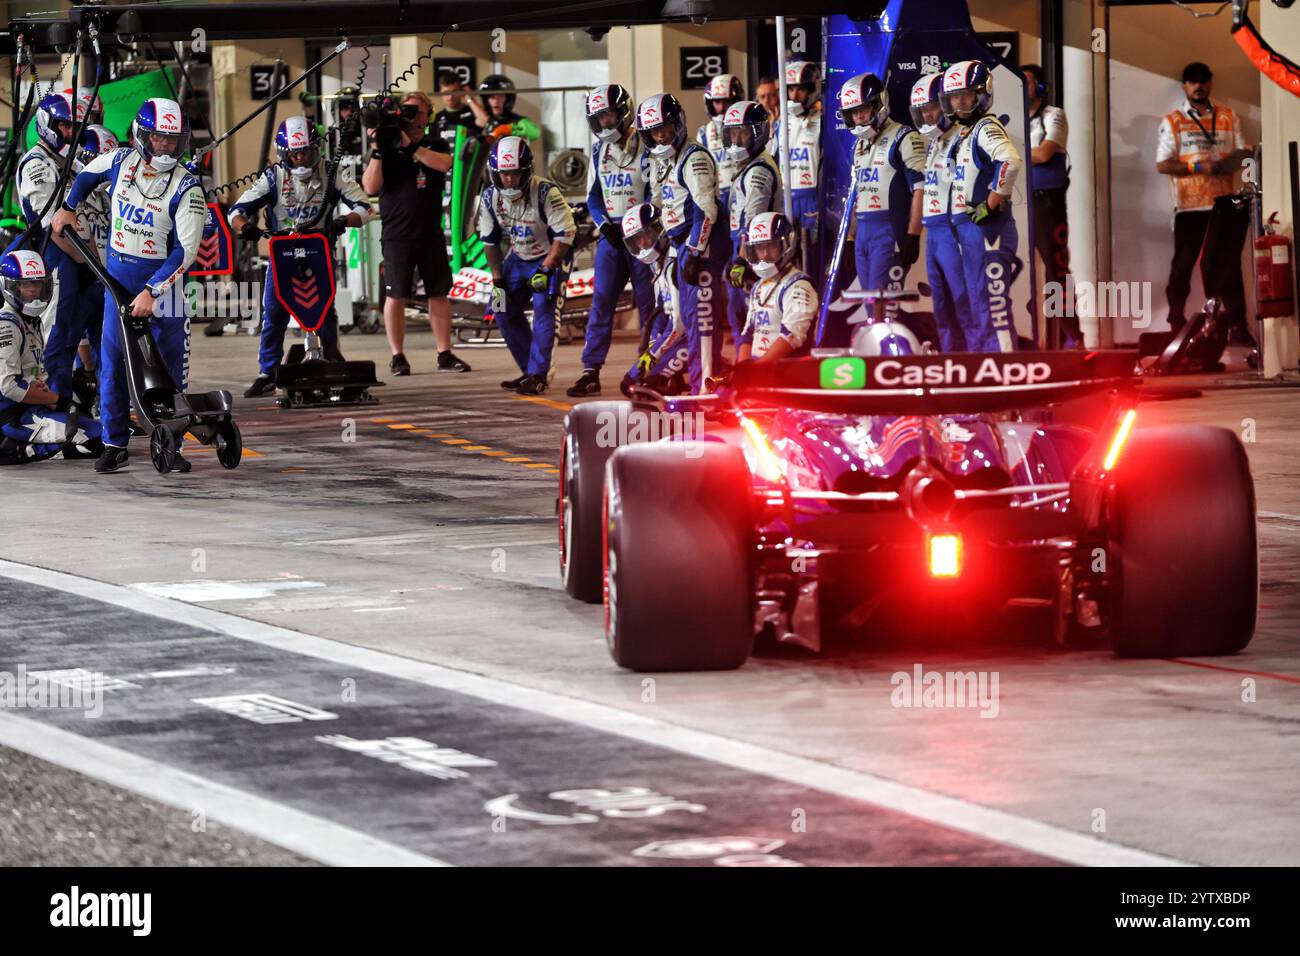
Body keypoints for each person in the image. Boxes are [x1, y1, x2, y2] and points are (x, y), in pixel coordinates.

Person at [51, 97, 207, 474]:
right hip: (117, 280)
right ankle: (114, 442)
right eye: (159, 138)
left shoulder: (188, 188)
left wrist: (153, 291)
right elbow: (88, 174)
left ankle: (172, 440)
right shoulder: (121, 162)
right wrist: (69, 205)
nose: (166, 146)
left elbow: (185, 253)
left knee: (169, 368)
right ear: (142, 135)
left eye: (174, 140)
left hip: (163, 291)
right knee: (113, 363)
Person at [229, 116, 373, 397]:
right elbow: (235, 211)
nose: (301, 158)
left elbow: (365, 207)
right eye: (294, 153)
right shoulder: (272, 177)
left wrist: (345, 221)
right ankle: (267, 372)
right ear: (284, 154)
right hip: (281, 255)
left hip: (319, 252)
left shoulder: (333, 172)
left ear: (316, 148)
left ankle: (331, 361)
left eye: (306, 151)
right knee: (273, 312)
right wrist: (245, 228)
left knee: (324, 312)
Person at [360, 90, 471, 376]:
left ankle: (444, 353)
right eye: (406, 110)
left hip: (430, 232)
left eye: (417, 111)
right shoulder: (387, 144)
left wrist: (411, 147)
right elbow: (370, 187)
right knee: (395, 295)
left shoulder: (436, 143)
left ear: (427, 115)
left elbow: (444, 165)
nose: (411, 116)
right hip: (397, 234)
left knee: (438, 292)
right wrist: (378, 148)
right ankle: (398, 356)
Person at [566, 85, 655, 397]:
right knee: (601, 303)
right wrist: (604, 226)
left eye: (608, 114)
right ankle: (590, 371)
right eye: (598, 116)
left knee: (650, 304)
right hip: (613, 238)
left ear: (623, 112)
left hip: (645, 237)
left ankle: (649, 367)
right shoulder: (597, 150)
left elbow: (656, 191)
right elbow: (592, 197)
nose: (604, 122)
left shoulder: (647, 144)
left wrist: (647, 226)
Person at [1155, 61, 1253, 342]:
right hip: (1189, 206)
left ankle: (1238, 327)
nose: (1198, 86)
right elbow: (1163, 165)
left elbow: (1244, 154)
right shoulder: (1172, 120)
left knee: (1228, 267)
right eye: (1192, 81)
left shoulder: (1228, 116)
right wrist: (1199, 168)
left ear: (1210, 83)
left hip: (1224, 205)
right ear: (1184, 86)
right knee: (1182, 267)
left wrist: (1232, 161)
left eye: (1203, 80)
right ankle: (1176, 322)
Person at [638, 92, 728, 394]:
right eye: (654, 131)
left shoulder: (694, 157)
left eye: (665, 128)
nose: (661, 135)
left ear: (678, 124)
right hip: (679, 246)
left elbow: (707, 210)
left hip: (701, 248)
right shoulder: (660, 161)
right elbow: (661, 204)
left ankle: (704, 389)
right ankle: (702, 380)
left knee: (701, 320)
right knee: (685, 317)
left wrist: (694, 251)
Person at [477, 135, 576, 395]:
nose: (509, 180)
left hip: (549, 257)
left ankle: (539, 374)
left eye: (515, 174)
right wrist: (497, 279)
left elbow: (566, 233)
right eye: (504, 174)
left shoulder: (546, 192)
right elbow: (489, 241)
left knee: (544, 312)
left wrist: (547, 268)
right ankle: (527, 370)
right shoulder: (488, 198)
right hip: (517, 258)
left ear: (527, 171)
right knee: (500, 307)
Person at [15, 92, 92, 406]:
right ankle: (52, 403)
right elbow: (55, 228)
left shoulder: (69, 159)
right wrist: (87, 261)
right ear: (48, 125)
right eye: (64, 126)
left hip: (81, 258)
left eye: (74, 127)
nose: (70, 133)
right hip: (57, 256)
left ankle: (69, 399)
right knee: (56, 337)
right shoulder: (37, 164)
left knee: (75, 336)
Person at [943, 60, 1024, 353]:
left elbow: (1011, 161)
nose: (960, 102)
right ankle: (986, 369)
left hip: (989, 231)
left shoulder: (985, 127)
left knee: (994, 308)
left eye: (966, 95)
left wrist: (990, 204)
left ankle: (1005, 375)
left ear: (981, 94)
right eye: (954, 96)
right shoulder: (966, 131)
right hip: (972, 231)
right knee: (979, 306)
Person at [838, 73, 926, 327]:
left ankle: (887, 360)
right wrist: (852, 239)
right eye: (853, 112)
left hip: (889, 232)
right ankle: (876, 355)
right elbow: (857, 194)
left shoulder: (905, 137)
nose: (858, 118)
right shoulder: (859, 146)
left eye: (863, 110)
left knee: (883, 306)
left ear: (878, 104)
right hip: (864, 233)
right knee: (869, 305)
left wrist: (913, 235)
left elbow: (921, 188)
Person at [0, 250, 103, 464]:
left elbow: (35, 373)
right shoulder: (7, 325)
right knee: (94, 436)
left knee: (88, 422)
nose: (33, 291)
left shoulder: (31, 320)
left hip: (27, 407)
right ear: (11, 286)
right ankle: (18, 449)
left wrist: (57, 398)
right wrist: (57, 400)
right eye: (26, 285)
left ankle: (21, 445)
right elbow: (9, 386)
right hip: (10, 414)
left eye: (38, 284)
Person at [910, 72, 970, 352]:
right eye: (922, 110)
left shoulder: (963, 138)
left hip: (953, 231)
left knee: (963, 301)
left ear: (945, 104)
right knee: (941, 306)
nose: (928, 115)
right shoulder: (935, 142)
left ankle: (975, 360)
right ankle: (949, 360)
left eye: (931, 107)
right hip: (933, 232)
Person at [1021, 63, 1077, 348]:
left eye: (1027, 82)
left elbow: (1044, 154)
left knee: (1057, 271)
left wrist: (1010, 153)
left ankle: (1073, 337)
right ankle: (1026, 339)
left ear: (1040, 87)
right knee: (1013, 271)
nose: (1022, 87)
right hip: (1017, 204)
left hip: (1047, 202)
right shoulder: (1009, 117)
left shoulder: (1053, 115)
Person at [722, 100, 782, 359]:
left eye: (743, 133)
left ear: (758, 133)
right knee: (738, 314)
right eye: (732, 133)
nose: (736, 140)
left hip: (755, 247)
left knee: (748, 314)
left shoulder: (758, 170)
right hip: (745, 243)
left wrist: (742, 259)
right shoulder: (749, 165)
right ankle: (743, 364)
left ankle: (751, 367)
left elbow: (754, 216)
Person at [618, 203, 689, 395]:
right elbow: (660, 310)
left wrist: (651, 356)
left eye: (645, 237)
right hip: (676, 338)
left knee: (647, 386)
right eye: (636, 240)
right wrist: (652, 346)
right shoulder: (658, 264)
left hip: (691, 338)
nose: (642, 245)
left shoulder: (674, 261)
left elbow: (679, 325)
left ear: (659, 229)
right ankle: (674, 377)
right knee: (634, 385)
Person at [70, 124, 121, 374]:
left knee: (109, 348)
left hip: (106, 281)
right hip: (84, 278)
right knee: (83, 356)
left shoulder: (107, 197)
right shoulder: (73, 196)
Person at [737, 212, 816, 362]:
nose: (765, 255)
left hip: (787, 372)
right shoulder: (758, 286)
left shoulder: (799, 285)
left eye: (771, 246)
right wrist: (743, 367)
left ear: (786, 245)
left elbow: (792, 336)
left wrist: (756, 370)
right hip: (759, 369)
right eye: (759, 248)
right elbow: (748, 333)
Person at [776, 61, 823, 279]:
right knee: (786, 258)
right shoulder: (779, 124)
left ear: (811, 90)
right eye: (791, 89)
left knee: (813, 258)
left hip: (812, 198)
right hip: (786, 197)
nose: (795, 95)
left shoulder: (822, 121)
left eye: (801, 89)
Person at [697, 74, 745, 214]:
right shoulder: (703, 133)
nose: (722, 107)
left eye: (727, 102)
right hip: (717, 198)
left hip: (742, 193)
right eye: (717, 102)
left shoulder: (747, 129)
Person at [477, 74, 541, 147]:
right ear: (486, 100)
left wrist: (510, 129)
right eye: (492, 97)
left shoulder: (518, 120)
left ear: (507, 99)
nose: (496, 101)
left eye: (500, 96)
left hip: (510, 157)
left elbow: (535, 133)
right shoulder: (484, 120)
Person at [432, 74, 488, 153]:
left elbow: (485, 122)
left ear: (461, 92)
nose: (450, 97)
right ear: (441, 93)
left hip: (469, 162)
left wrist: (469, 98)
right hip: (444, 162)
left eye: (454, 92)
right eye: (446, 92)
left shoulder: (472, 113)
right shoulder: (437, 118)